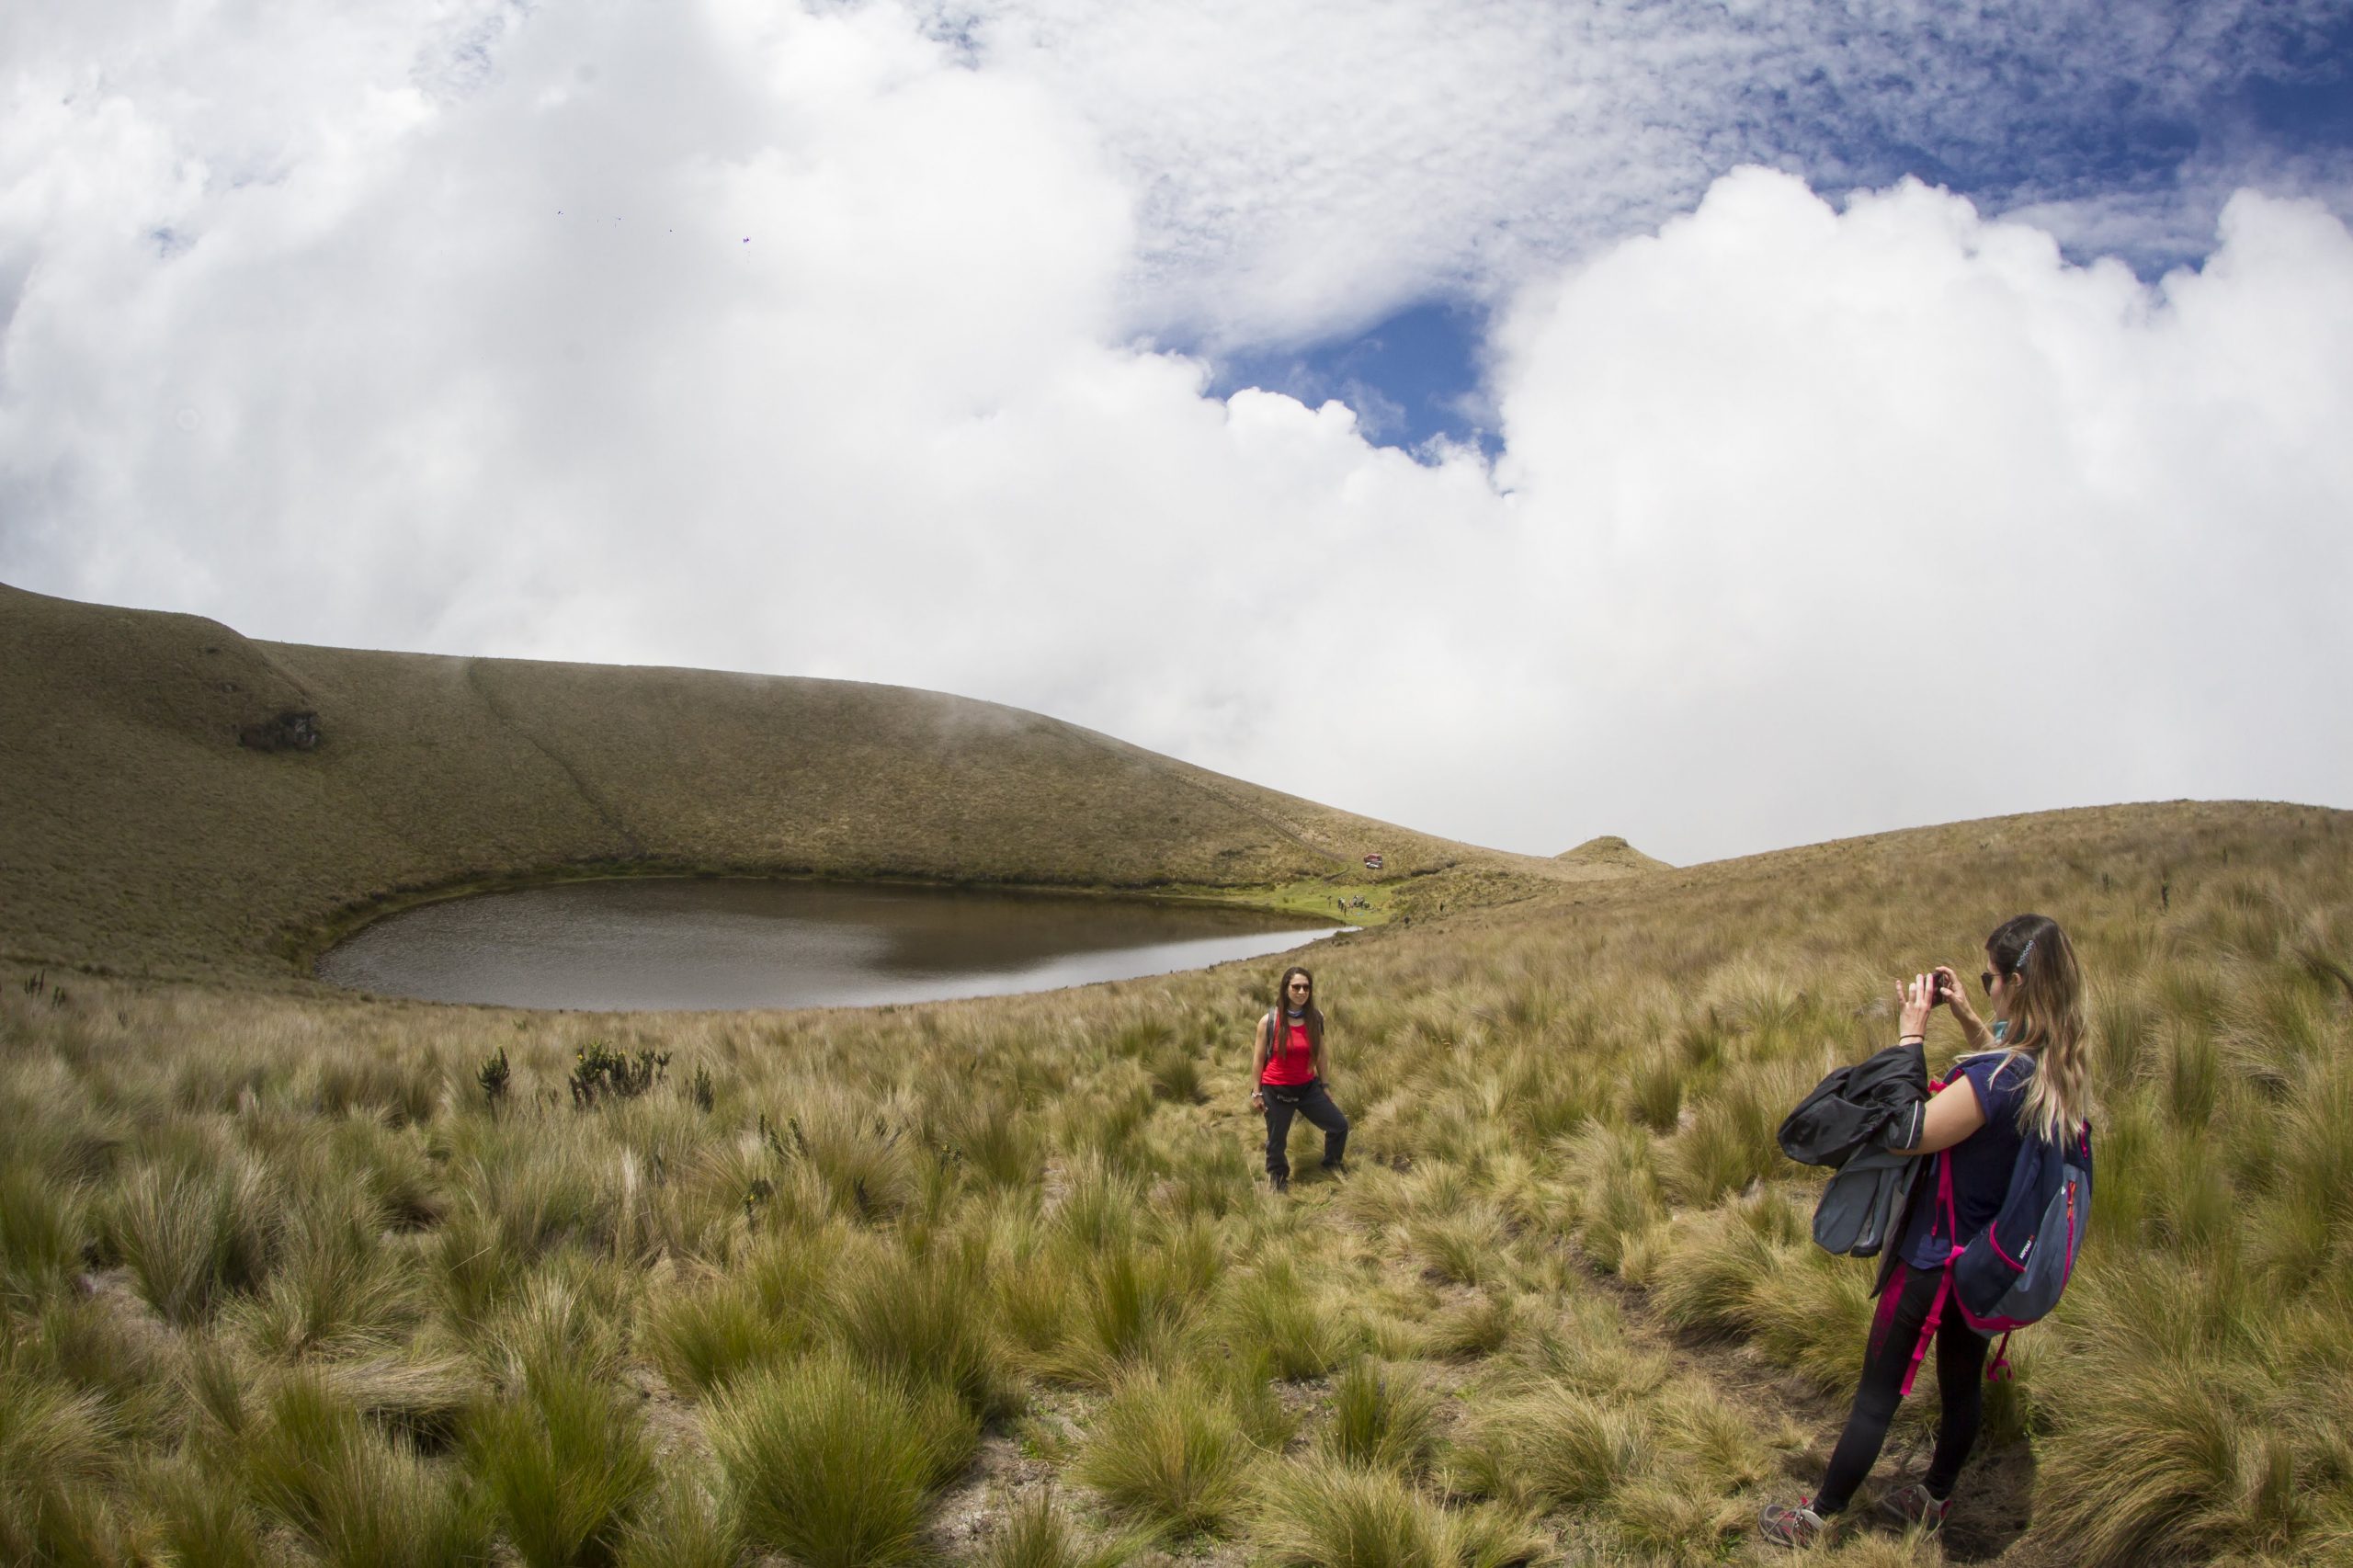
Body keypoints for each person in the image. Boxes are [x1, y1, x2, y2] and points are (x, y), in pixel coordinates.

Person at [1761, 914, 2092, 1547]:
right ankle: (1934, 1496)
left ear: (2017, 983)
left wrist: (1910, 1038)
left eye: (1990, 980)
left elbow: (1908, 1133)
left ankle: (1817, 1518)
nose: (1987, 988)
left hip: (1933, 1261)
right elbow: (1998, 1080)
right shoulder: (2052, 1069)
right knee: (1961, 1385)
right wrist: (1967, 1016)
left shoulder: (1995, 1082)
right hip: (1983, 1267)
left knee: (1877, 1394)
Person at [1250, 965, 1349, 1191]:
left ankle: (1331, 1165)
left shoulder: (1316, 1018)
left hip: (1307, 1088)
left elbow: (1321, 1054)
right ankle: (1278, 1179)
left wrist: (1325, 1085)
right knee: (1277, 1141)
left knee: (1339, 1126)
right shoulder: (1268, 1021)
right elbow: (1258, 1060)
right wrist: (1256, 1093)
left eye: (1306, 987)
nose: (1302, 991)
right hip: (1276, 1090)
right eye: (1296, 987)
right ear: (1286, 989)